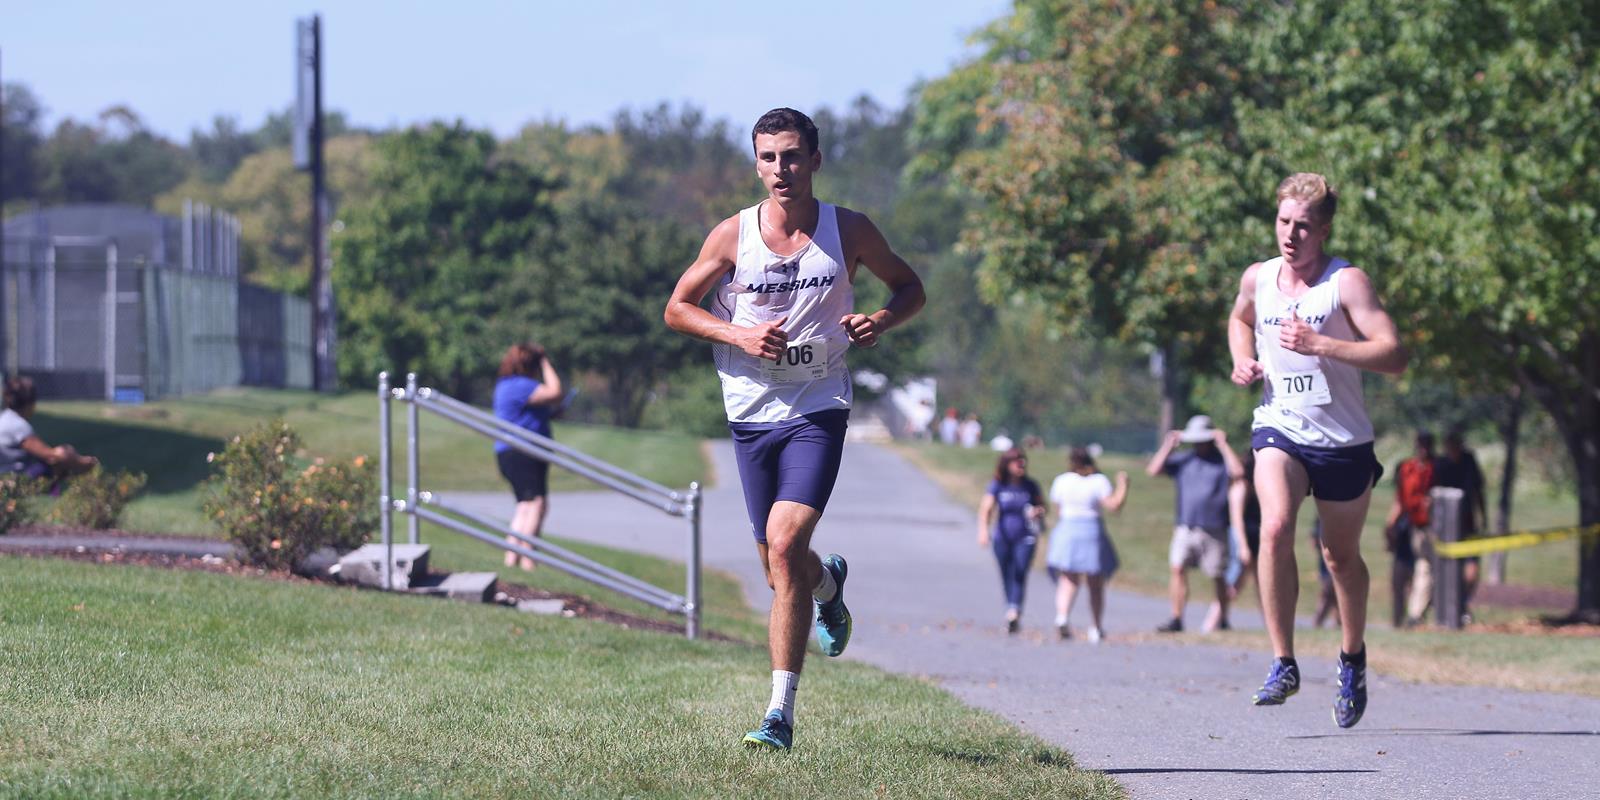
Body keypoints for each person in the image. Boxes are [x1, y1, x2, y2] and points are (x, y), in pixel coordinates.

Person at [662, 107, 925, 751]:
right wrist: (739, 334)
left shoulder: (850, 230)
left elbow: (910, 288)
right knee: (778, 567)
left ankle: (779, 715)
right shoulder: (733, 236)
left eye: (793, 155)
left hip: (818, 405)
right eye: (769, 157)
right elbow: (676, 308)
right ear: (757, 163)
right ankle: (828, 582)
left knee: (783, 547)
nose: (782, 168)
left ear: (814, 159)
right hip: (751, 413)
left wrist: (881, 321)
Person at [1228, 172, 1408, 728]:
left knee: (1340, 557)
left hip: (1343, 442)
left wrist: (1323, 343)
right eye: (1283, 222)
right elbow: (1240, 318)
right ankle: (1283, 661)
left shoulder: (1346, 283)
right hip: (1280, 425)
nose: (1290, 235)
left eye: (1303, 226)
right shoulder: (1259, 278)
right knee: (1276, 526)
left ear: (1323, 229)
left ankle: (1351, 656)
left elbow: (1395, 355)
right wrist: (1241, 359)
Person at [1146, 415, 1245, 633]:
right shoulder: (1184, 460)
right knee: (1178, 569)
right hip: (1186, 526)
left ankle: (1223, 618)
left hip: (1215, 528)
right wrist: (1168, 445)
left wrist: (1223, 444)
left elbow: (1238, 472)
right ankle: (1177, 617)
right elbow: (1153, 470)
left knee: (1218, 575)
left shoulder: (1221, 461)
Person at [491, 344, 564, 570]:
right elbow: (555, 392)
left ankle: (513, 558)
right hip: (522, 452)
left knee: (526, 505)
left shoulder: (507, 385)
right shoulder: (520, 385)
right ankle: (527, 557)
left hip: (514, 452)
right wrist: (545, 362)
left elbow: (533, 409)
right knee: (536, 503)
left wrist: (549, 415)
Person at [1045, 447, 1129, 643]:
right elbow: (1114, 505)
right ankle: (1096, 627)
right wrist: (1123, 484)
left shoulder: (1062, 480)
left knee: (1069, 577)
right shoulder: (1098, 481)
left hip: (1067, 529)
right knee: (1095, 582)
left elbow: (1057, 509)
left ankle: (1062, 617)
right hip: (1090, 530)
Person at [976, 448, 1045, 634]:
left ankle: (1014, 611)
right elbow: (986, 509)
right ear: (1006, 464)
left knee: (1020, 571)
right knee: (1006, 572)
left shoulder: (1030, 485)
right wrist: (983, 531)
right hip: (1003, 537)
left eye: (1023, 460)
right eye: (1016, 461)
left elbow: (1042, 506)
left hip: (1026, 537)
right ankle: (1011, 608)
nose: (1021, 464)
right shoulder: (998, 485)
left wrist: (1038, 511)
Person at [0, 376, 98, 485]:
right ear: (30, 403)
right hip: (12, 481)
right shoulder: (18, 425)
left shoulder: (4, 418)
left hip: (7, 477)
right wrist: (81, 462)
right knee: (61, 456)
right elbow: (52, 456)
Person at [1434, 428, 1486, 624]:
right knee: (1446, 569)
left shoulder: (1469, 461)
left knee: (1472, 569)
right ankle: (1451, 607)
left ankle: (1462, 602)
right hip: (1445, 526)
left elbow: (1479, 490)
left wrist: (1482, 515)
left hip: (1468, 522)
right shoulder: (1440, 465)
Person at [1384, 431, 1435, 627]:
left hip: (1425, 526)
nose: (1423, 449)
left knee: (1423, 570)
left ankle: (1415, 615)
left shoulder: (1435, 468)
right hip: (1406, 524)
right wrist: (1390, 524)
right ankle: (1397, 620)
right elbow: (1399, 499)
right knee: (1399, 574)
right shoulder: (1407, 468)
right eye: (1420, 444)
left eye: (1426, 444)